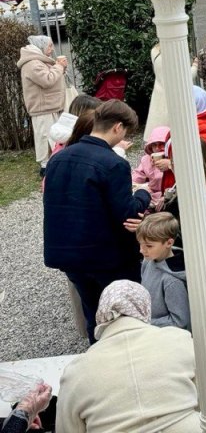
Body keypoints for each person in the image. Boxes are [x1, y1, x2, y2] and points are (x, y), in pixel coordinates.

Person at [43, 100, 151, 342]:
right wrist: (143, 194)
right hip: (108, 257)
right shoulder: (113, 163)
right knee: (122, 317)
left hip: (69, 255)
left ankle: (97, 358)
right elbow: (128, 214)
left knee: (93, 314)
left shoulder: (58, 158)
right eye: (126, 131)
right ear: (117, 127)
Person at [57, 281, 200, 433]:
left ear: (101, 315)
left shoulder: (76, 371)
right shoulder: (179, 339)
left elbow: (67, 428)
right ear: (145, 308)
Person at [18, 34, 67, 176]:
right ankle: (46, 168)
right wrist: (58, 66)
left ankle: (54, 164)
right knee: (46, 137)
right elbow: (47, 80)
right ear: (41, 46)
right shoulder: (33, 63)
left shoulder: (38, 61)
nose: (51, 49)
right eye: (50, 45)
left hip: (48, 105)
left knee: (52, 136)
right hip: (42, 108)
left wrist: (60, 68)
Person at [137, 211, 189, 330]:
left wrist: (145, 323)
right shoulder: (148, 261)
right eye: (140, 244)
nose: (142, 250)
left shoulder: (172, 282)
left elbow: (179, 320)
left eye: (149, 246)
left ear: (169, 243)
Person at [131, 126, 171, 212]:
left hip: (170, 197)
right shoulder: (146, 159)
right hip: (151, 198)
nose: (157, 148)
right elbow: (136, 178)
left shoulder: (176, 159)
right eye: (154, 145)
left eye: (161, 144)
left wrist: (170, 164)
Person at [144, 42, 168, 139]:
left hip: (158, 90)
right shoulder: (170, 53)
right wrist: (195, 66)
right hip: (171, 93)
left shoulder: (154, 51)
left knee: (157, 121)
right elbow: (185, 77)